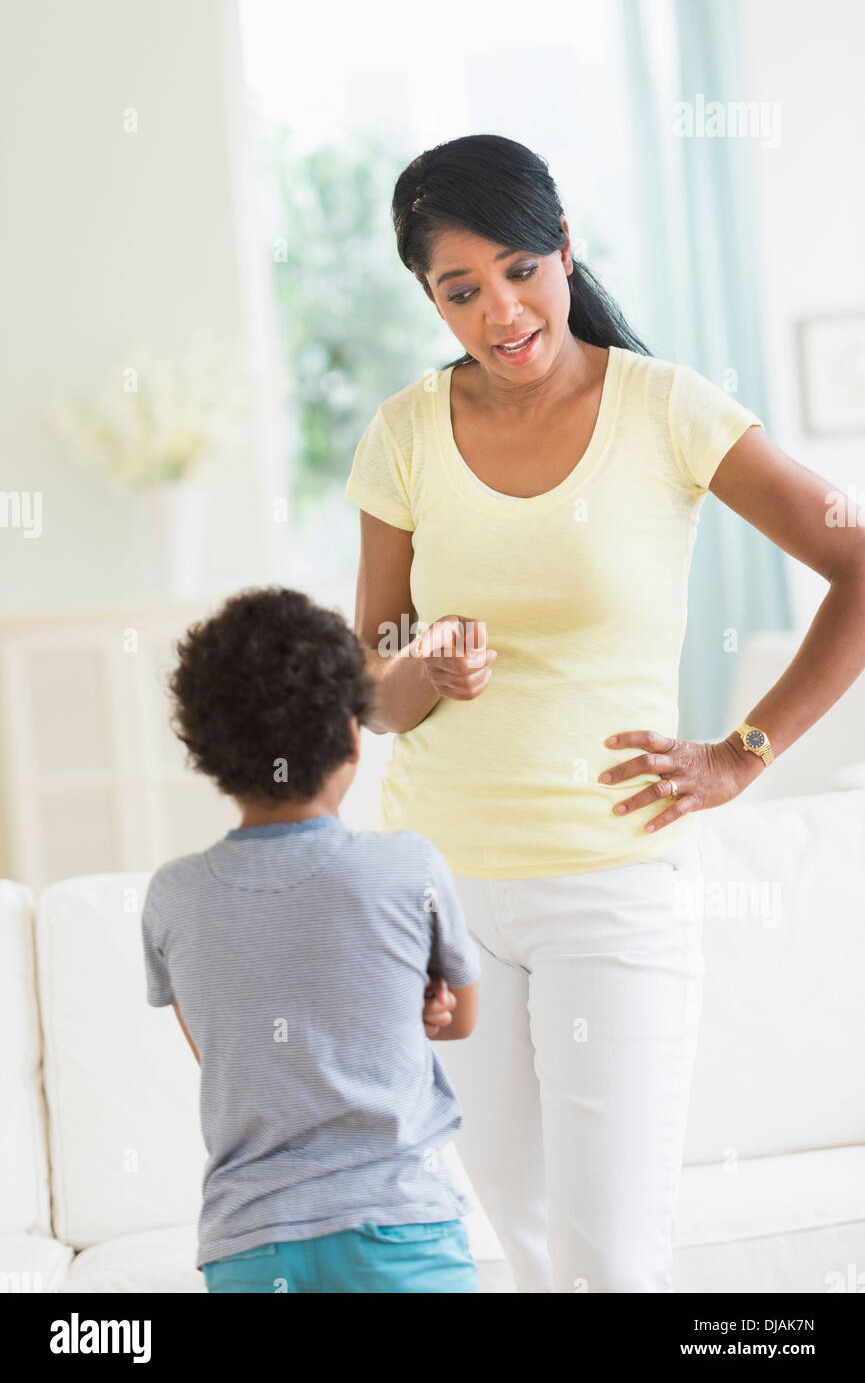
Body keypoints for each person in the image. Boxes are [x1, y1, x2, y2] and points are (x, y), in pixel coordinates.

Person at [343, 133, 865, 1292]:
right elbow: (371, 689)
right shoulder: (403, 433)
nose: (500, 311)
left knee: (611, 1265)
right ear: (427, 296)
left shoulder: (668, 409)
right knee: (530, 1253)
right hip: (440, 891)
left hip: (612, 887)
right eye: (459, 290)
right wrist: (426, 665)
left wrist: (741, 756)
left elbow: (857, 564)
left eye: (520, 269)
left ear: (565, 249)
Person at [140, 586, 482, 1293]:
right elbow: (460, 1020)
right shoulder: (408, 866)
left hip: (250, 1245)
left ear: (208, 753)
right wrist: (413, 1005)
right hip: (400, 1228)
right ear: (353, 736)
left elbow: (226, 1050)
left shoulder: (173, 896)